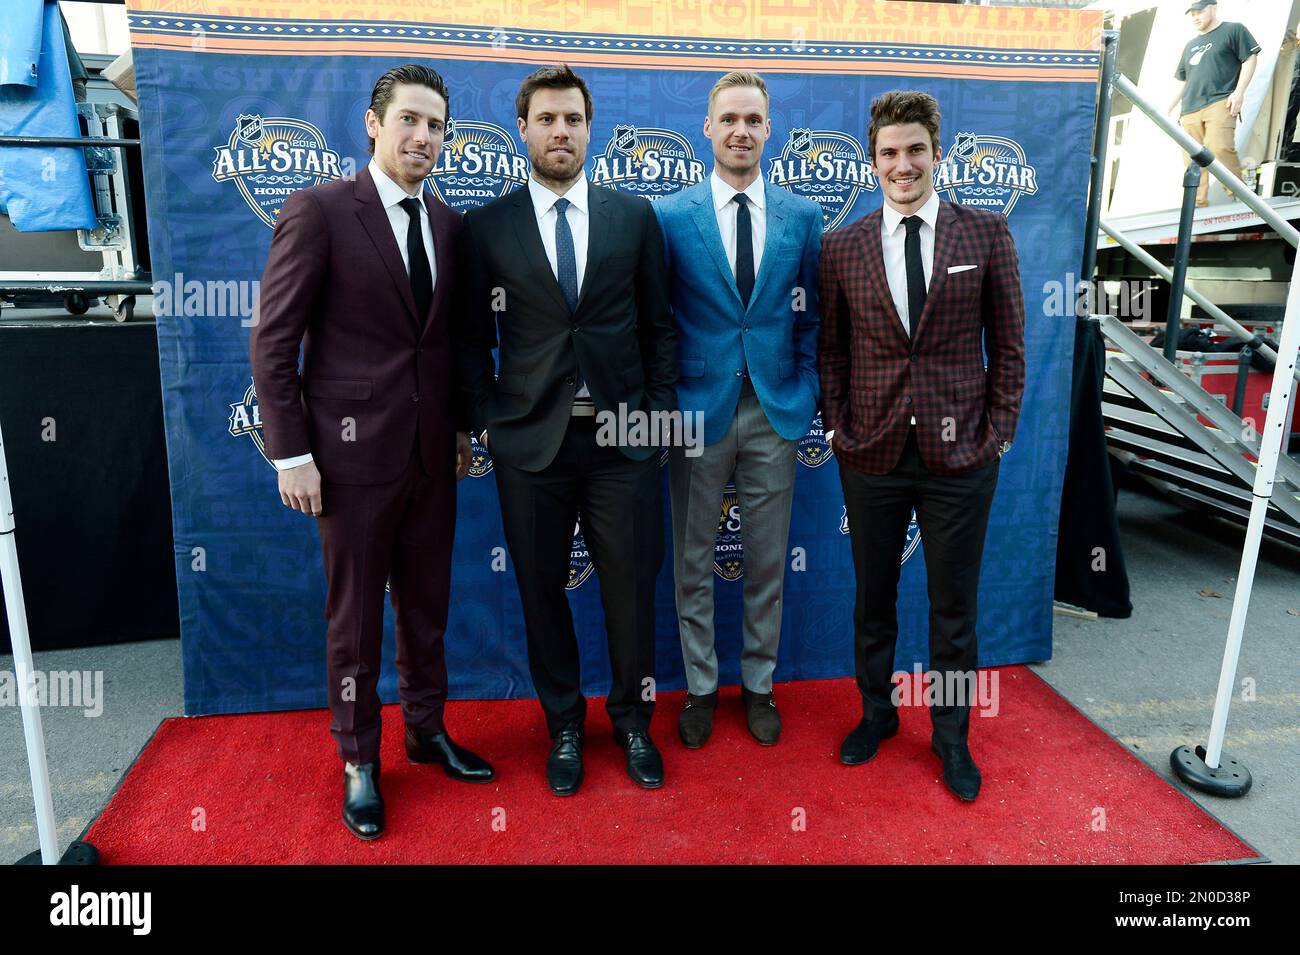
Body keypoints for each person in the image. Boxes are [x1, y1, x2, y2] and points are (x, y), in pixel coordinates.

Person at [250, 64, 494, 841]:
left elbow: (453, 345)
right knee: (355, 622)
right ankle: (360, 759)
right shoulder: (319, 211)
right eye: (411, 121)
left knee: (427, 610)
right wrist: (290, 454)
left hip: (431, 460)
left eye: (437, 127)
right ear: (373, 123)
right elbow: (274, 340)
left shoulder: (451, 225)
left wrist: (457, 431)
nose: (425, 137)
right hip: (347, 464)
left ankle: (426, 729)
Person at [454, 65, 677, 797]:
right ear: (522, 128)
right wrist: (489, 418)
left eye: (573, 120)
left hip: (624, 441)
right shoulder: (485, 227)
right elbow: (468, 339)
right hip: (531, 444)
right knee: (540, 589)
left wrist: (656, 415)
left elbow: (657, 327)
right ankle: (565, 726)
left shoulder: (633, 217)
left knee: (631, 593)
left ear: (590, 128)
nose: (560, 131)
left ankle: (634, 720)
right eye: (546, 119)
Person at [818, 90, 1025, 802]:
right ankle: (875, 714)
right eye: (888, 153)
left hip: (961, 457)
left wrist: (996, 432)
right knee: (873, 599)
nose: (902, 165)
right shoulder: (841, 244)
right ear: (873, 161)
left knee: (953, 608)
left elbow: (1010, 344)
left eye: (914, 151)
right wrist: (840, 425)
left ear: (938, 154)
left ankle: (951, 736)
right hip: (869, 453)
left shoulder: (986, 234)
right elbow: (832, 350)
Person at [653, 71, 821, 749]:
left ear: (769, 128)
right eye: (729, 119)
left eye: (753, 119)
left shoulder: (803, 216)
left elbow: (811, 318)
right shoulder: (669, 216)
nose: (741, 131)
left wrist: (805, 388)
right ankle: (699, 687)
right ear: (707, 127)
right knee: (691, 560)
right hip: (695, 412)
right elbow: (656, 320)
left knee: (766, 560)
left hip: (776, 410)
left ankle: (758, 683)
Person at [1168, 0, 1261, 207]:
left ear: (1213, 8)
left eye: (1199, 12)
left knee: (1219, 147)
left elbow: (1250, 58)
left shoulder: (1233, 29)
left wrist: (1239, 92)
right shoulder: (1190, 45)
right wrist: (1166, 108)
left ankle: (1242, 198)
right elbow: (1183, 80)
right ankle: (1197, 205)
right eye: (1192, 13)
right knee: (1192, 160)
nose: (1195, 17)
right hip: (1190, 108)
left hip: (1220, 100)